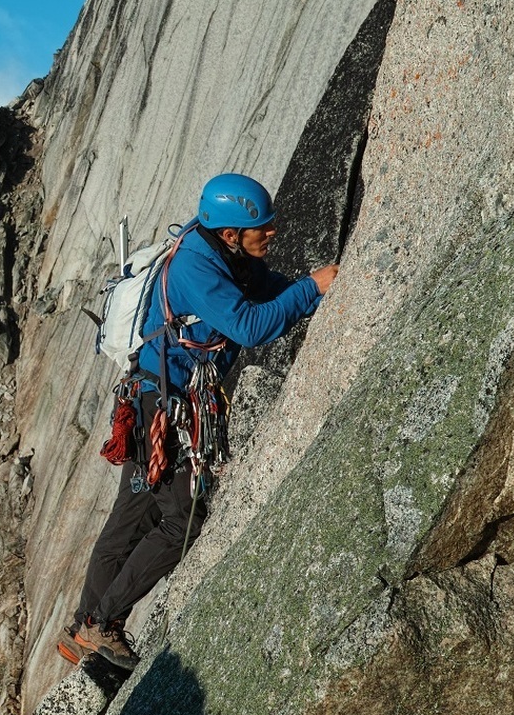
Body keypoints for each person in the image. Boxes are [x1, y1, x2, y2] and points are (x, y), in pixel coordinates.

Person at [60, 173, 338, 670]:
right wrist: (312, 289)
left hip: (155, 398)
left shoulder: (221, 250)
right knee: (184, 521)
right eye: (263, 229)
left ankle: (85, 627)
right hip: (164, 409)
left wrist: (305, 290)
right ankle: (100, 626)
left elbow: (262, 290)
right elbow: (251, 327)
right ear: (231, 233)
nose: (272, 234)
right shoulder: (197, 266)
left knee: (133, 514)